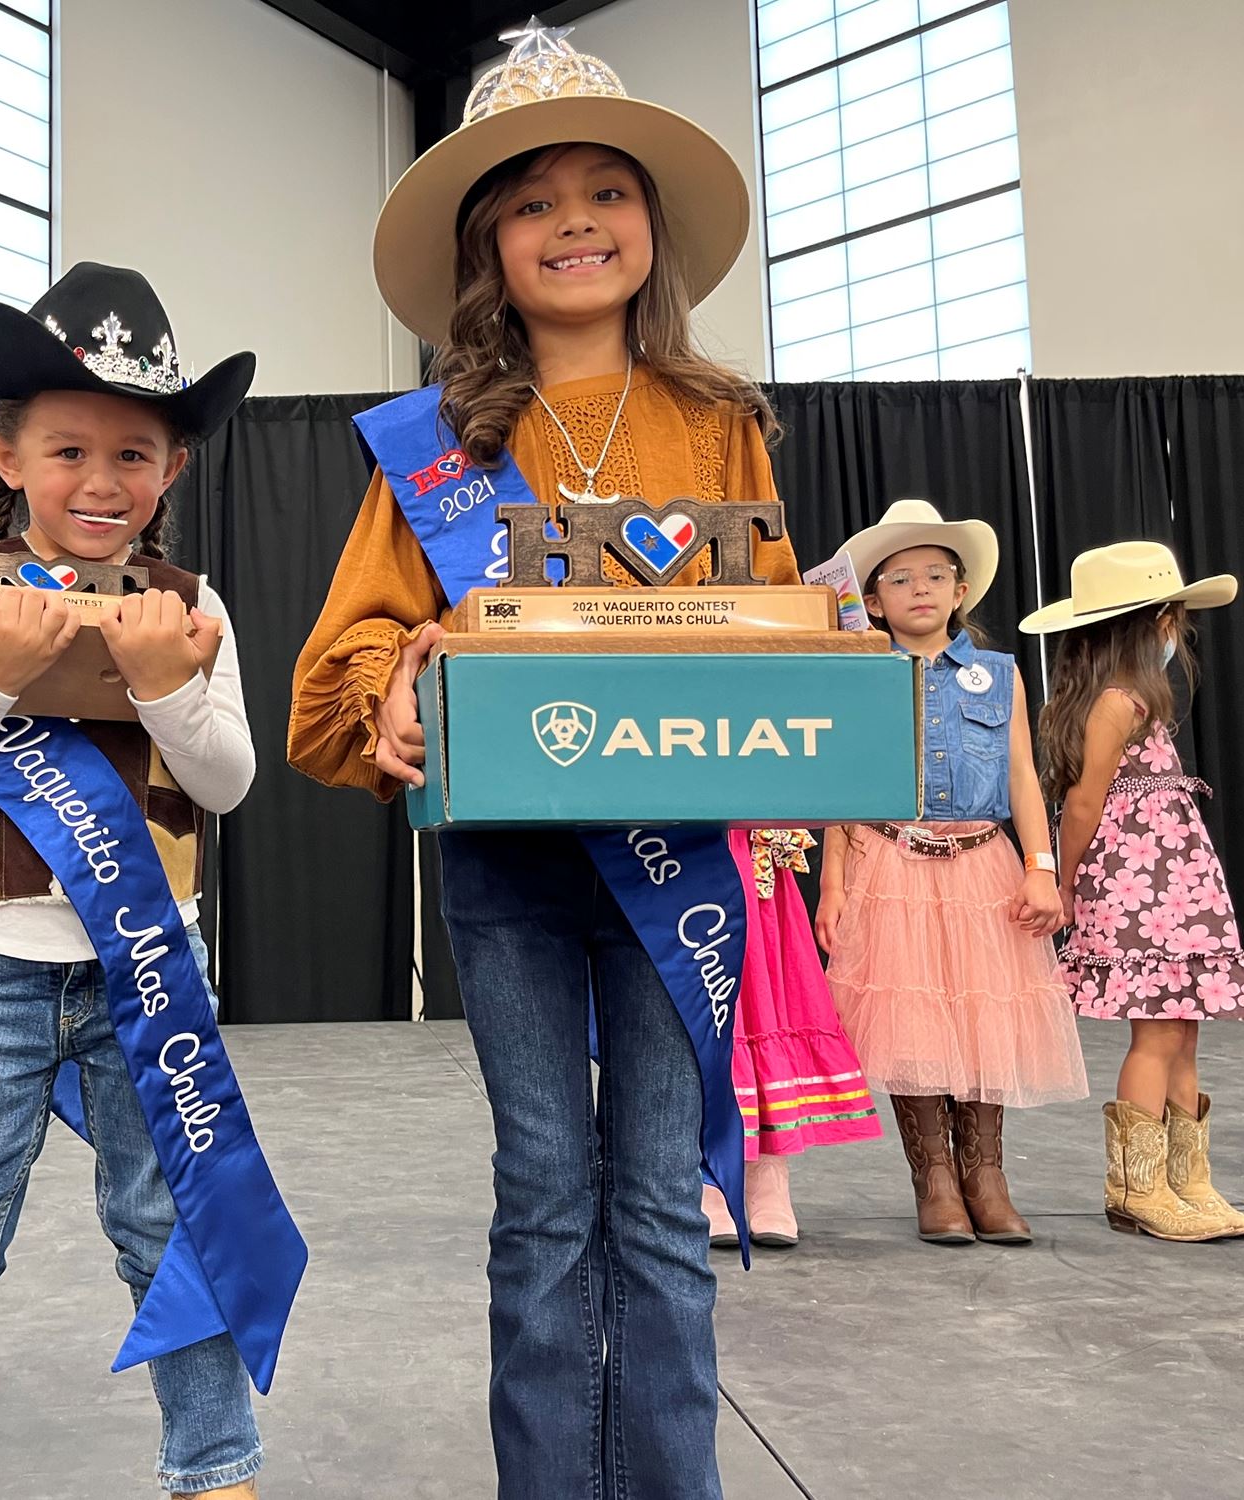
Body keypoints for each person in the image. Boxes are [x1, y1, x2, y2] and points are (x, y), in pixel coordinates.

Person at [290, 27, 793, 1497]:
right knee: (545, 1197)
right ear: (486, 250)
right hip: (506, 862)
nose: (574, 220)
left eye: (605, 190)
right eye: (532, 200)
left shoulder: (722, 423)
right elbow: (342, 668)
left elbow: (768, 624)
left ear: (654, 227)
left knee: (655, 1198)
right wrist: (401, 677)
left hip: (675, 854)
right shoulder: (435, 443)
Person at [0, 264, 301, 1500]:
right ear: (4, 453)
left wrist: (160, 683)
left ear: (173, 469)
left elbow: (230, 783)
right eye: (68, 449)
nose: (101, 481)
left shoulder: (193, 611)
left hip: (148, 970)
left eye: (134, 454)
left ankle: (215, 1470)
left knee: (168, 1234)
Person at [816, 501, 1085, 1244]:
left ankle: (986, 1174)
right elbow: (843, 783)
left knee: (980, 1013)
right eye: (900, 580)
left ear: (961, 590)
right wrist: (834, 883)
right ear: (874, 601)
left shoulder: (998, 675)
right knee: (917, 1018)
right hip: (890, 859)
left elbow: (1023, 777)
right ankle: (933, 1176)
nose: (921, 589)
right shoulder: (860, 673)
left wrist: (1040, 868)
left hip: (980, 863)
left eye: (937, 575)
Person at [1025, 541, 1244, 1242]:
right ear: (1148, 624)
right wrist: (1062, 884)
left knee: (1182, 1033)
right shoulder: (1114, 704)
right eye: (1171, 620)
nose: (1176, 634)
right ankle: (1137, 1186)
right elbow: (1081, 803)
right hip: (1140, 895)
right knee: (1157, 1035)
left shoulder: (1141, 705)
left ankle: (1188, 1179)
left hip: (1173, 892)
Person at [700, 829, 880, 1251]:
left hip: (753, 833)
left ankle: (769, 1169)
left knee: (765, 997)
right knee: (708, 1006)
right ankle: (706, 1171)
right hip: (683, 839)